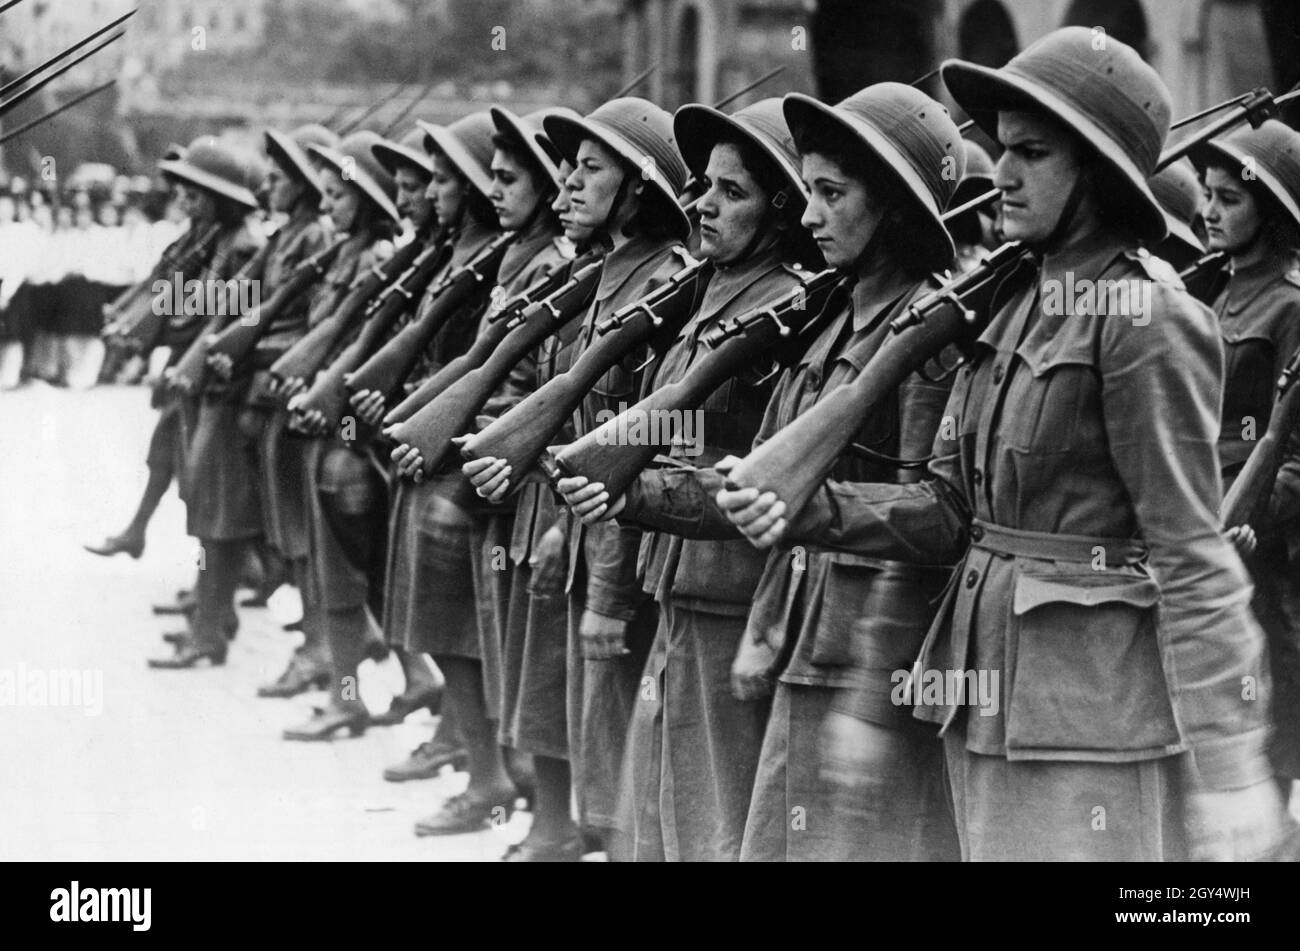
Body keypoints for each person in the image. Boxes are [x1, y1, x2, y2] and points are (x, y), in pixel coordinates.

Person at [717, 27, 1294, 861]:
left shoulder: (1147, 321)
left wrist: (1233, 760)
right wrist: (808, 509)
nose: (1005, 173)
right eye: (1002, 148)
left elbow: (1191, 553)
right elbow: (948, 515)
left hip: (1083, 723)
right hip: (978, 707)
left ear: (1094, 171)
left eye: (1033, 153)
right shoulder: (1016, 302)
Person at [555, 97, 825, 860]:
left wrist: (633, 493)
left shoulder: (783, 312)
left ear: (782, 214)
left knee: (713, 819)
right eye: (703, 186)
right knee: (662, 813)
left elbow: (760, 471)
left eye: (730, 193)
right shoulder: (711, 297)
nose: (701, 204)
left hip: (728, 595)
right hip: (674, 583)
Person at [466, 97, 692, 852]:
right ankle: (554, 828)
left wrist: (602, 570)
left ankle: (584, 837)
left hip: (613, 529)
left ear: (637, 188)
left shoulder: (663, 283)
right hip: (568, 516)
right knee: (563, 695)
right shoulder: (601, 274)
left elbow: (644, 442)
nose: (566, 186)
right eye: (567, 170)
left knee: (619, 726)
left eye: (589, 170)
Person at [389, 106, 577, 846]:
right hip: (491, 452)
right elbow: (481, 365)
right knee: (461, 611)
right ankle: (490, 767)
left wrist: (465, 435)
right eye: (489, 177)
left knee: (498, 626)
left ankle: (499, 776)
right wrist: (426, 423)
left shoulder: (549, 261)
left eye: (508, 178)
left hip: (521, 469)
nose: (490, 191)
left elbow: (537, 380)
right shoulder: (513, 256)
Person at [274, 131, 401, 728]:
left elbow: (367, 350)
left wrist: (327, 397)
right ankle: (414, 680)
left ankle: (346, 699)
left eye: (338, 197)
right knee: (348, 571)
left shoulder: (376, 259)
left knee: (344, 577)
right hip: (328, 422)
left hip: (349, 431)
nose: (327, 208)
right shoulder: (348, 255)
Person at [1197, 119, 1300, 800]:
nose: (1208, 211)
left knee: (1267, 679)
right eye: (1207, 195)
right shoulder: (1210, 296)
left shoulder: (1289, 306)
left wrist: (1258, 518)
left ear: (1268, 210)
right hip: (1198, 515)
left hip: (1256, 539)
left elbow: (1293, 453)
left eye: (1228, 199)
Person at [146, 138, 268, 668]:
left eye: (199, 193)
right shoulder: (225, 241)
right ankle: (210, 618)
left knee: (219, 514)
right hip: (208, 388)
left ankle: (210, 629)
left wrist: (162, 313)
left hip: (226, 389)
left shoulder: (241, 246)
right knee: (207, 507)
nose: (187, 201)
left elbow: (208, 313)